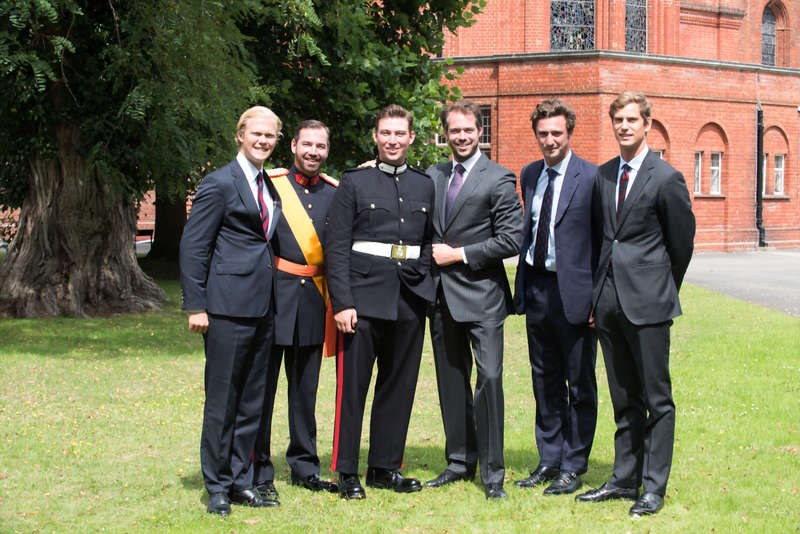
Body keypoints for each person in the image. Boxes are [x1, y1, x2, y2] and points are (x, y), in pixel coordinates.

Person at [575, 91, 695, 516]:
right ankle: (624, 479)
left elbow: (681, 245)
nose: (624, 126)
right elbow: (602, 240)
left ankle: (653, 487)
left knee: (656, 399)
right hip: (608, 304)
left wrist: (661, 289)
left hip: (649, 305)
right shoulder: (604, 176)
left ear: (647, 124)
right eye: (618, 120)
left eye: (631, 119)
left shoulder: (667, 178)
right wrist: (597, 297)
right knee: (624, 396)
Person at [325, 104, 435, 500]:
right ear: (375, 137)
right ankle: (347, 472)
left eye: (399, 134)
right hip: (362, 298)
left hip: (408, 298)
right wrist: (341, 302)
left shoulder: (425, 184)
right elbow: (336, 246)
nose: (392, 140)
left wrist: (422, 283)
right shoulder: (354, 182)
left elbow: (428, 241)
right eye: (385, 133)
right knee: (351, 389)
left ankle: (385, 467)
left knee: (398, 386)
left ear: (410, 138)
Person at [179, 106, 283, 514]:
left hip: (262, 309)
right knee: (223, 401)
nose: (263, 141)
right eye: (256, 133)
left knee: (252, 402)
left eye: (270, 135)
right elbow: (194, 246)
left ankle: (242, 481)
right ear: (240, 134)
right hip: (225, 310)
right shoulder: (219, 183)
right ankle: (218, 486)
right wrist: (196, 305)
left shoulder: (267, 185)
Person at [424, 100, 523, 499]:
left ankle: (493, 473)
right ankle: (459, 461)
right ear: (445, 134)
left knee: (491, 379)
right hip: (440, 298)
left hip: (482, 296)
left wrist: (460, 254)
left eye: (468, 130)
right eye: (454, 131)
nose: (461, 137)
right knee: (451, 382)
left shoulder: (499, 178)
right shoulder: (433, 175)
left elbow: (512, 238)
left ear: (479, 131)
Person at [512, 99, 600, 496]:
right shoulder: (530, 174)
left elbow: (602, 244)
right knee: (544, 379)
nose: (550, 140)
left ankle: (573, 464)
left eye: (556, 133)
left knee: (579, 382)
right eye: (543, 134)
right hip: (538, 288)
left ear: (570, 133)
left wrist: (598, 300)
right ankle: (549, 459)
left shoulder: (592, 177)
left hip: (576, 295)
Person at [252, 120, 339, 499]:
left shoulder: (336, 192)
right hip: (273, 300)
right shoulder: (270, 184)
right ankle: (259, 471)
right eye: (307, 144)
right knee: (262, 393)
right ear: (293, 146)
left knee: (305, 393)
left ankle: (305, 467)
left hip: (312, 303)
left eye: (320, 146)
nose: (313, 152)